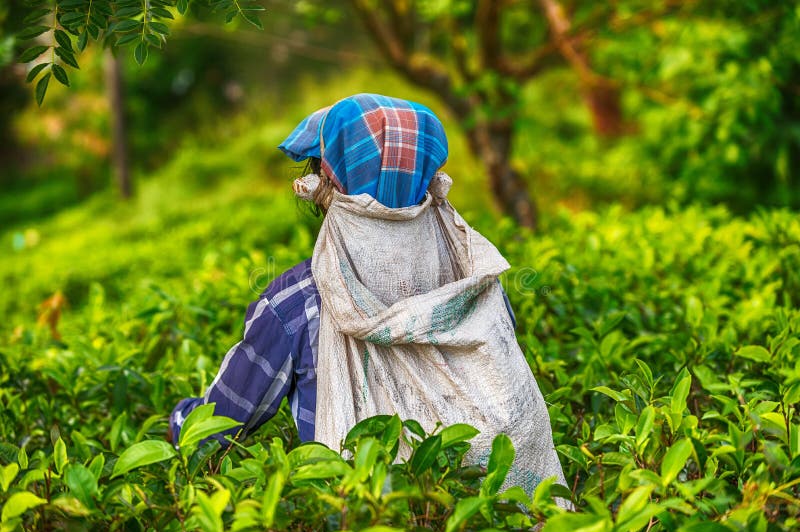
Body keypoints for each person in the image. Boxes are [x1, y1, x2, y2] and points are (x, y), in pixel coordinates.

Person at [169, 94, 568, 501]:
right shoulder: (476, 284)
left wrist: (177, 421)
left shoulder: (297, 304)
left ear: (325, 186)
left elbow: (214, 429)